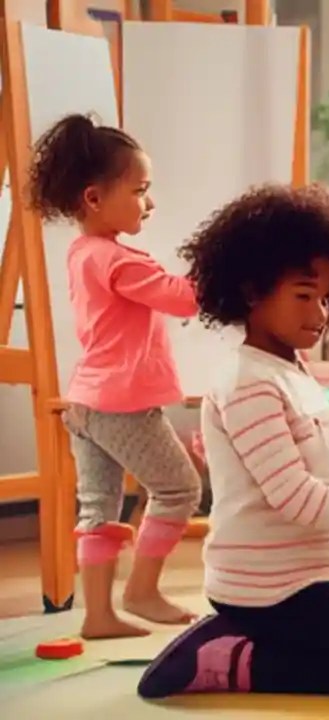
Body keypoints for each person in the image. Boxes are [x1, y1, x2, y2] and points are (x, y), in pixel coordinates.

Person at [135, 184, 329, 698]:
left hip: (311, 571)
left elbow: (325, 471)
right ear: (253, 292)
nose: (319, 314)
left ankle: (260, 640)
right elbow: (296, 497)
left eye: (324, 298)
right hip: (266, 588)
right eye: (303, 296)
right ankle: (226, 657)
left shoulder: (292, 371)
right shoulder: (248, 382)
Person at [27, 113, 202, 639]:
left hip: (86, 402)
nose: (150, 203)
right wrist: (223, 264)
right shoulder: (118, 262)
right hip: (119, 403)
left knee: (98, 507)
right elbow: (185, 297)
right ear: (94, 199)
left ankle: (98, 615)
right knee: (180, 489)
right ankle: (142, 591)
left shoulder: (83, 253)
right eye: (141, 190)